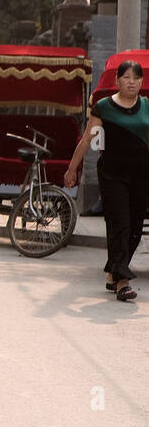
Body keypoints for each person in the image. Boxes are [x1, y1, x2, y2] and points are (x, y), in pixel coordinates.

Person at [64, 60, 148, 301]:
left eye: (136, 77)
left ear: (141, 82)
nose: (131, 82)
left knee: (134, 227)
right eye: (127, 77)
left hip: (141, 175)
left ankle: (114, 270)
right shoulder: (104, 107)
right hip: (113, 174)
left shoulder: (147, 106)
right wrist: (72, 169)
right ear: (117, 81)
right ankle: (122, 281)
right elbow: (87, 140)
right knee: (120, 223)